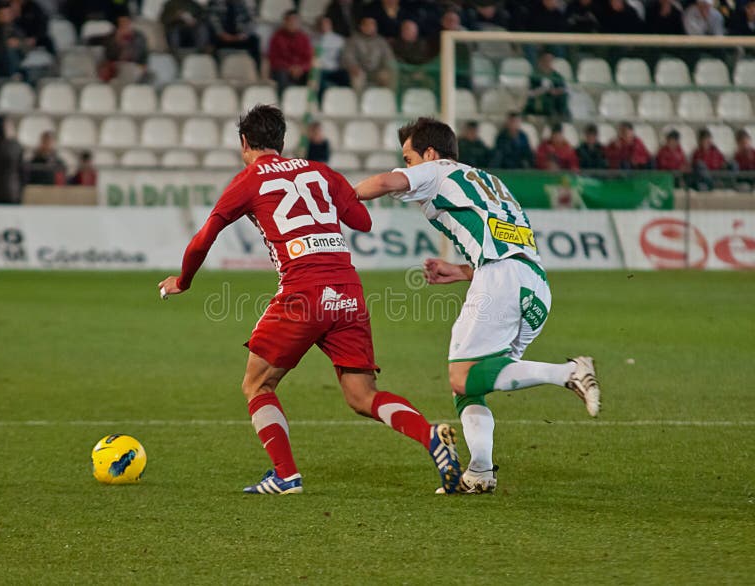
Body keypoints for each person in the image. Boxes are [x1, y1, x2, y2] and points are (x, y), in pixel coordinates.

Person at [157, 105, 461, 495]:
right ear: (282, 142)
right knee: (361, 395)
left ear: (245, 143)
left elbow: (204, 237)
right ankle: (430, 435)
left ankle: (285, 476)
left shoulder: (248, 180)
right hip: (347, 290)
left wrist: (184, 281)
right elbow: (363, 223)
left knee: (258, 385)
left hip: (302, 292)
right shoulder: (321, 171)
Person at [354, 117, 600, 494]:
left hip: (500, 280)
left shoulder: (437, 169)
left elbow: (386, 183)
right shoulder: (489, 182)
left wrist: (336, 195)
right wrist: (463, 271)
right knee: (471, 384)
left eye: (408, 157)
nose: (406, 166)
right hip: (534, 285)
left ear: (431, 153)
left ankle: (568, 372)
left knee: (463, 376)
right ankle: (481, 472)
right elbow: (509, 244)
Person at [341, 16, 395, 92]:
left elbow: (389, 57)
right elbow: (348, 56)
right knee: (357, 78)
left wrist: (387, 68)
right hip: (359, 71)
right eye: (368, 25)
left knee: (388, 76)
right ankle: (359, 103)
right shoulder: (353, 40)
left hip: (377, 71)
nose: (371, 27)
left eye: (373, 25)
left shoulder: (381, 41)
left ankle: (386, 102)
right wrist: (353, 66)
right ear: (362, 27)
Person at [207, 0, 261, 71]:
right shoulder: (216, 2)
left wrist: (244, 34)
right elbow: (213, 19)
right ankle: (214, 70)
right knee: (211, 42)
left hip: (241, 37)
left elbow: (253, 20)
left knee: (255, 40)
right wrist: (221, 34)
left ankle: (256, 71)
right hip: (223, 37)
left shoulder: (247, 3)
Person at [267, 10, 313, 94]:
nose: (292, 24)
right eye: (290, 21)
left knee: (313, 76)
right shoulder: (276, 38)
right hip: (283, 70)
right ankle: (285, 101)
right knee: (282, 75)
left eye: (295, 21)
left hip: (301, 71)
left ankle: (308, 102)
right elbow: (274, 59)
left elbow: (308, 58)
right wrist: (290, 68)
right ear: (285, 22)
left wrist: (301, 68)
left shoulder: (304, 38)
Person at [99, 13, 149, 82]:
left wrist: (127, 45)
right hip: (116, 66)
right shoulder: (112, 37)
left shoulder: (139, 37)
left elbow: (139, 56)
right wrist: (118, 41)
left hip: (134, 65)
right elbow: (109, 55)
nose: (125, 26)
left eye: (127, 23)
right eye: (122, 24)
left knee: (131, 70)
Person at [524, 51, 569, 120]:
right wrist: (545, 90)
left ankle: (563, 117)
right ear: (541, 61)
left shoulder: (556, 75)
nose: (548, 63)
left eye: (550, 61)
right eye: (546, 60)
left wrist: (556, 91)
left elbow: (564, 88)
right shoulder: (535, 75)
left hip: (555, 97)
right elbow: (530, 93)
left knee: (564, 97)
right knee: (547, 99)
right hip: (540, 98)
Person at [314, 15, 349, 98]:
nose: (324, 26)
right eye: (322, 24)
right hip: (320, 70)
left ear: (331, 25)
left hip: (335, 69)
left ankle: (345, 99)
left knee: (346, 76)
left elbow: (344, 57)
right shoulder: (313, 40)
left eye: (326, 24)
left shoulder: (339, 40)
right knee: (318, 77)